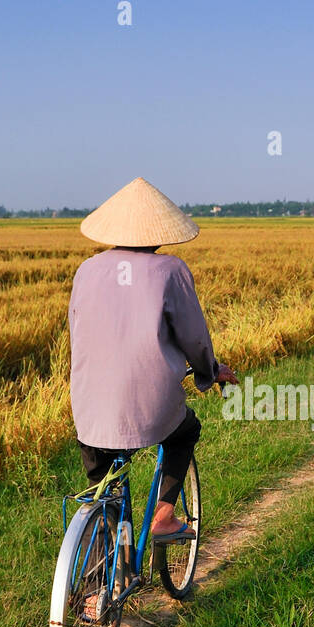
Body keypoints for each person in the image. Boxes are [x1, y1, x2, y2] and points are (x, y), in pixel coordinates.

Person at [68, 177, 238, 540]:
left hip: (88, 405)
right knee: (185, 431)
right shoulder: (170, 271)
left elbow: (78, 334)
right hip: (150, 404)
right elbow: (194, 338)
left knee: (105, 488)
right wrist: (210, 372)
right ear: (160, 232)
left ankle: (106, 576)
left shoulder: (86, 270)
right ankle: (163, 517)